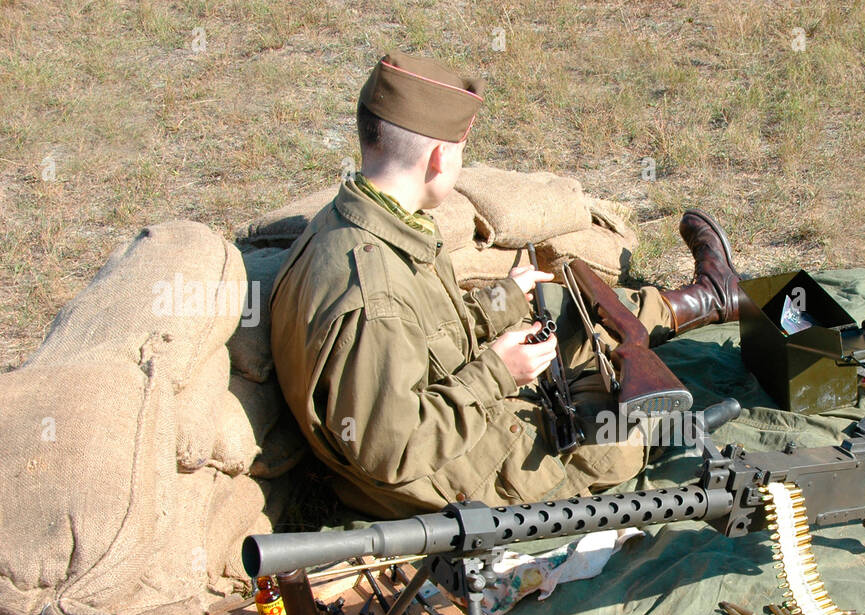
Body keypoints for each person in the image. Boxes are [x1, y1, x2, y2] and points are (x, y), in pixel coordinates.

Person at [270, 52, 741, 519]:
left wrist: (504, 300)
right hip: (452, 472)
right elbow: (393, 450)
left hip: (452, 403)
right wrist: (498, 371)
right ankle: (702, 311)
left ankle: (707, 297)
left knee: (570, 312)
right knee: (628, 430)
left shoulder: (360, 223)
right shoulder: (376, 297)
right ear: (439, 156)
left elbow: (431, 332)